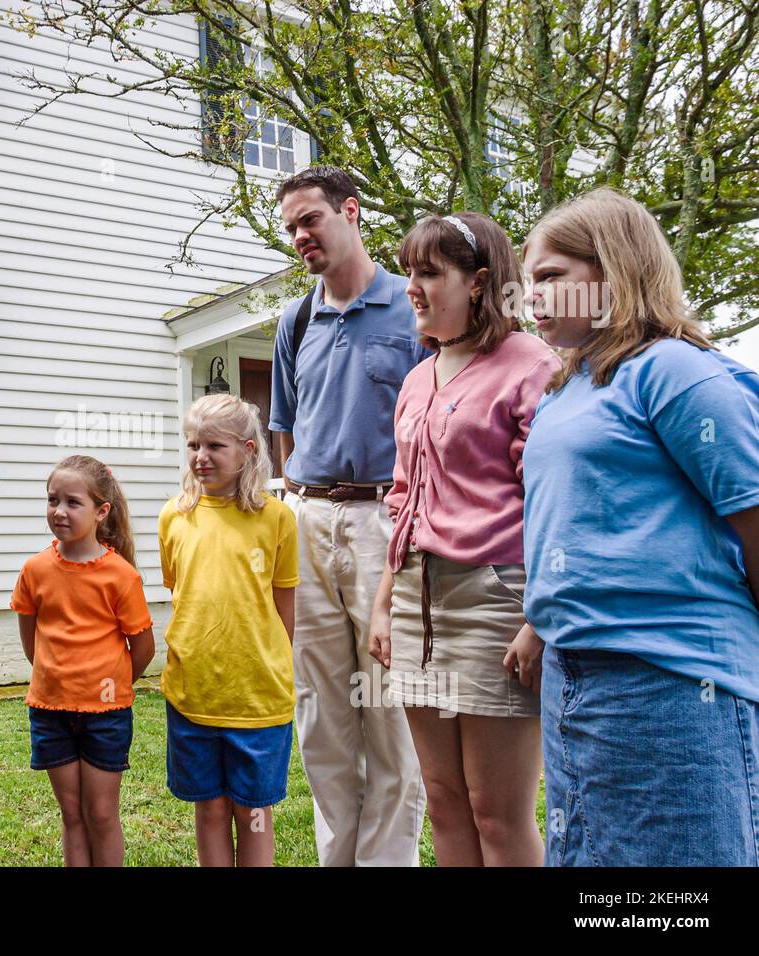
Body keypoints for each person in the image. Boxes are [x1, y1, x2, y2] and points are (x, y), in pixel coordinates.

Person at [520, 188, 759, 866]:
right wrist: (541, 622)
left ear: (615, 270)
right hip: (575, 678)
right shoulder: (568, 389)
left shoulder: (676, 374)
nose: (529, 297)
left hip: (673, 680)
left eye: (549, 278)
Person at [367, 212, 558, 866]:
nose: (410, 287)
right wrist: (384, 603)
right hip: (417, 598)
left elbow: (555, 497)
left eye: (429, 272)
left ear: (478, 283)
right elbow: (403, 498)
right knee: (444, 801)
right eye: (407, 271)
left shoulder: (529, 360)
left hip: (496, 597)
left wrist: (540, 615)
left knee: (496, 815)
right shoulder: (419, 377)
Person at [270, 166, 429, 866]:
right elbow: (285, 430)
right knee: (322, 716)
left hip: (385, 522)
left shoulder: (414, 307)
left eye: (311, 219)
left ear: (351, 211)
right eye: (291, 228)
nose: (301, 235)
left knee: (393, 714)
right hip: (306, 519)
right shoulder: (295, 319)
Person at [158, 394, 297, 867]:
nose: (201, 456)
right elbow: (182, 591)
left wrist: (277, 666)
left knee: (253, 811)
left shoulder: (276, 518)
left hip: (257, 698)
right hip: (193, 692)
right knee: (211, 808)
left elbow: (284, 605)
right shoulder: (174, 515)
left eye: (215, 446)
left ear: (248, 451)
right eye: (193, 444)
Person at [10, 455, 155, 866]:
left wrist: (111, 682)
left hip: (106, 715)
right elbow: (31, 640)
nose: (59, 511)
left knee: (101, 813)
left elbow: (142, 648)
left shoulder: (119, 576)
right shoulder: (35, 570)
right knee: (72, 815)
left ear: (101, 511)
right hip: (50, 711)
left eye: (73, 503)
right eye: (52, 500)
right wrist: (57, 678)